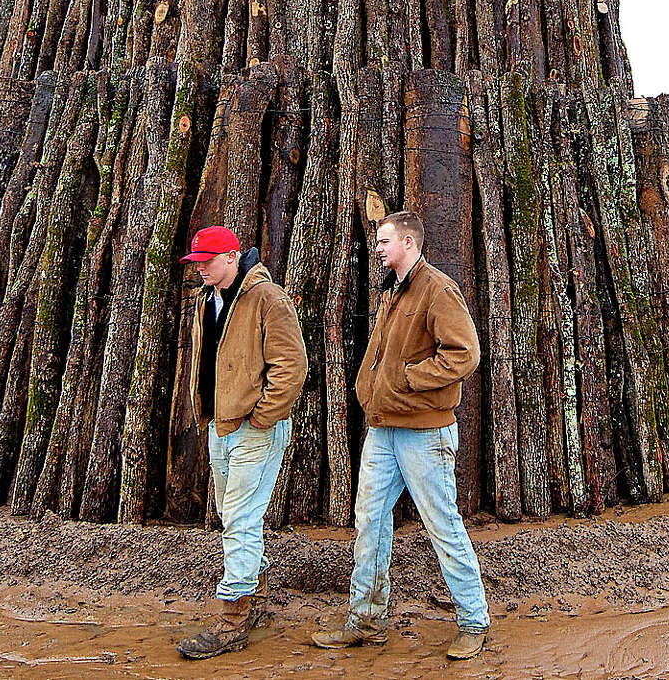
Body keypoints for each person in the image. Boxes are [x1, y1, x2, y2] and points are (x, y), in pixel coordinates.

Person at [312, 210, 490, 661]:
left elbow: (465, 353)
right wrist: (373, 389)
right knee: (369, 520)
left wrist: (411, 379)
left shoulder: (438, 290)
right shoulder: (394, 289)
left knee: (442, 524)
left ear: (409, 242)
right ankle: (366, 621)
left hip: (424, 431)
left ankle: (474, 621)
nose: (377, 248)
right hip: (384, 428)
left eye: (384, 241)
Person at [174, 224, 308, 660]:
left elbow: (292, 366)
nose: (201, 269)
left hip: (254, 427)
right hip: (222, 423)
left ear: (232, 256)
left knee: (239, 518)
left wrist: (262, 416)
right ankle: (257, 597)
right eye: (196, 262)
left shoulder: (268, 298)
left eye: (208, 261)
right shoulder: (207, 299)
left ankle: (233, 617)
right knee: (234, 514)